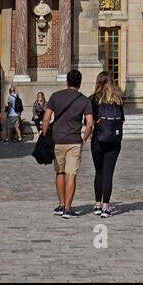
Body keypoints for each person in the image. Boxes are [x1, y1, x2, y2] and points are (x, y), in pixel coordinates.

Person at [44, 70, 94, 218]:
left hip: (58, 140)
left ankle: (60, 204)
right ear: (80, 83)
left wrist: (45, 136)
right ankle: (67, 208)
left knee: (59, 172)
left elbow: (46, 119)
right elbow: (90, 123)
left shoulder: (55, 96)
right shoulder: (84, 100)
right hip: (74, 141)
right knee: (71, 175)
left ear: (67, 81)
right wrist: (84, 138)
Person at [89, 71, 126, 217]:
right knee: (108, 174)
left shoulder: (93, 99)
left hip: (98, 140)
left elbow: (90, 122)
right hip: (114, 141)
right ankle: (106, 207)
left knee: (99, 172)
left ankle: (97, 204)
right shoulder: (118, 100)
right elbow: (122, 121)